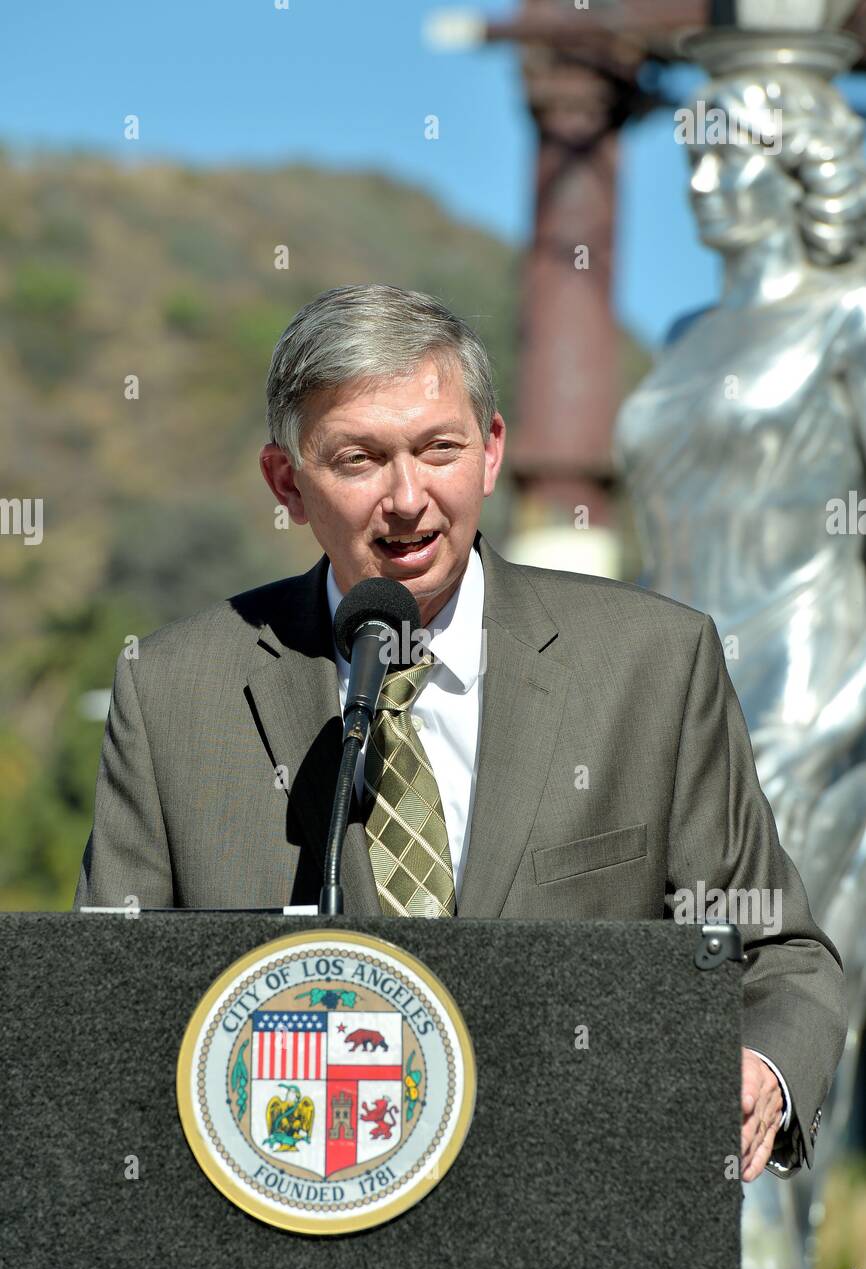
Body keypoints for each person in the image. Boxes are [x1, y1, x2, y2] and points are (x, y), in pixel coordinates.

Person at [73, 282, 847, 1185]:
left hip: (580, 1232)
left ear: (491, 451)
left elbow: (779, 959)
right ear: (287, 483)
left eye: (439, 448)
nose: (408, 499)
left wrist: (762, 1070)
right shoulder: (173, 692)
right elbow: (106, 1016)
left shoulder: (653, 665)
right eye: (359, 459)